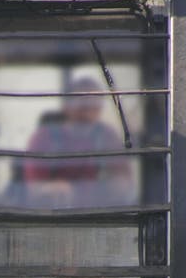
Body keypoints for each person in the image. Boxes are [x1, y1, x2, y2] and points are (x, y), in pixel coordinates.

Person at [22, 76, 134, 209]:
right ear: (66, 107)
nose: (88, 113)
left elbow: (124, 183)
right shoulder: (44, 137)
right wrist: (52, 188)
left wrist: (110, 187)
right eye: (82, 105)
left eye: (94, 105)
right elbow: (32, 189)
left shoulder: (108, 137)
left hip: (99, 215)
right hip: (53, 216)